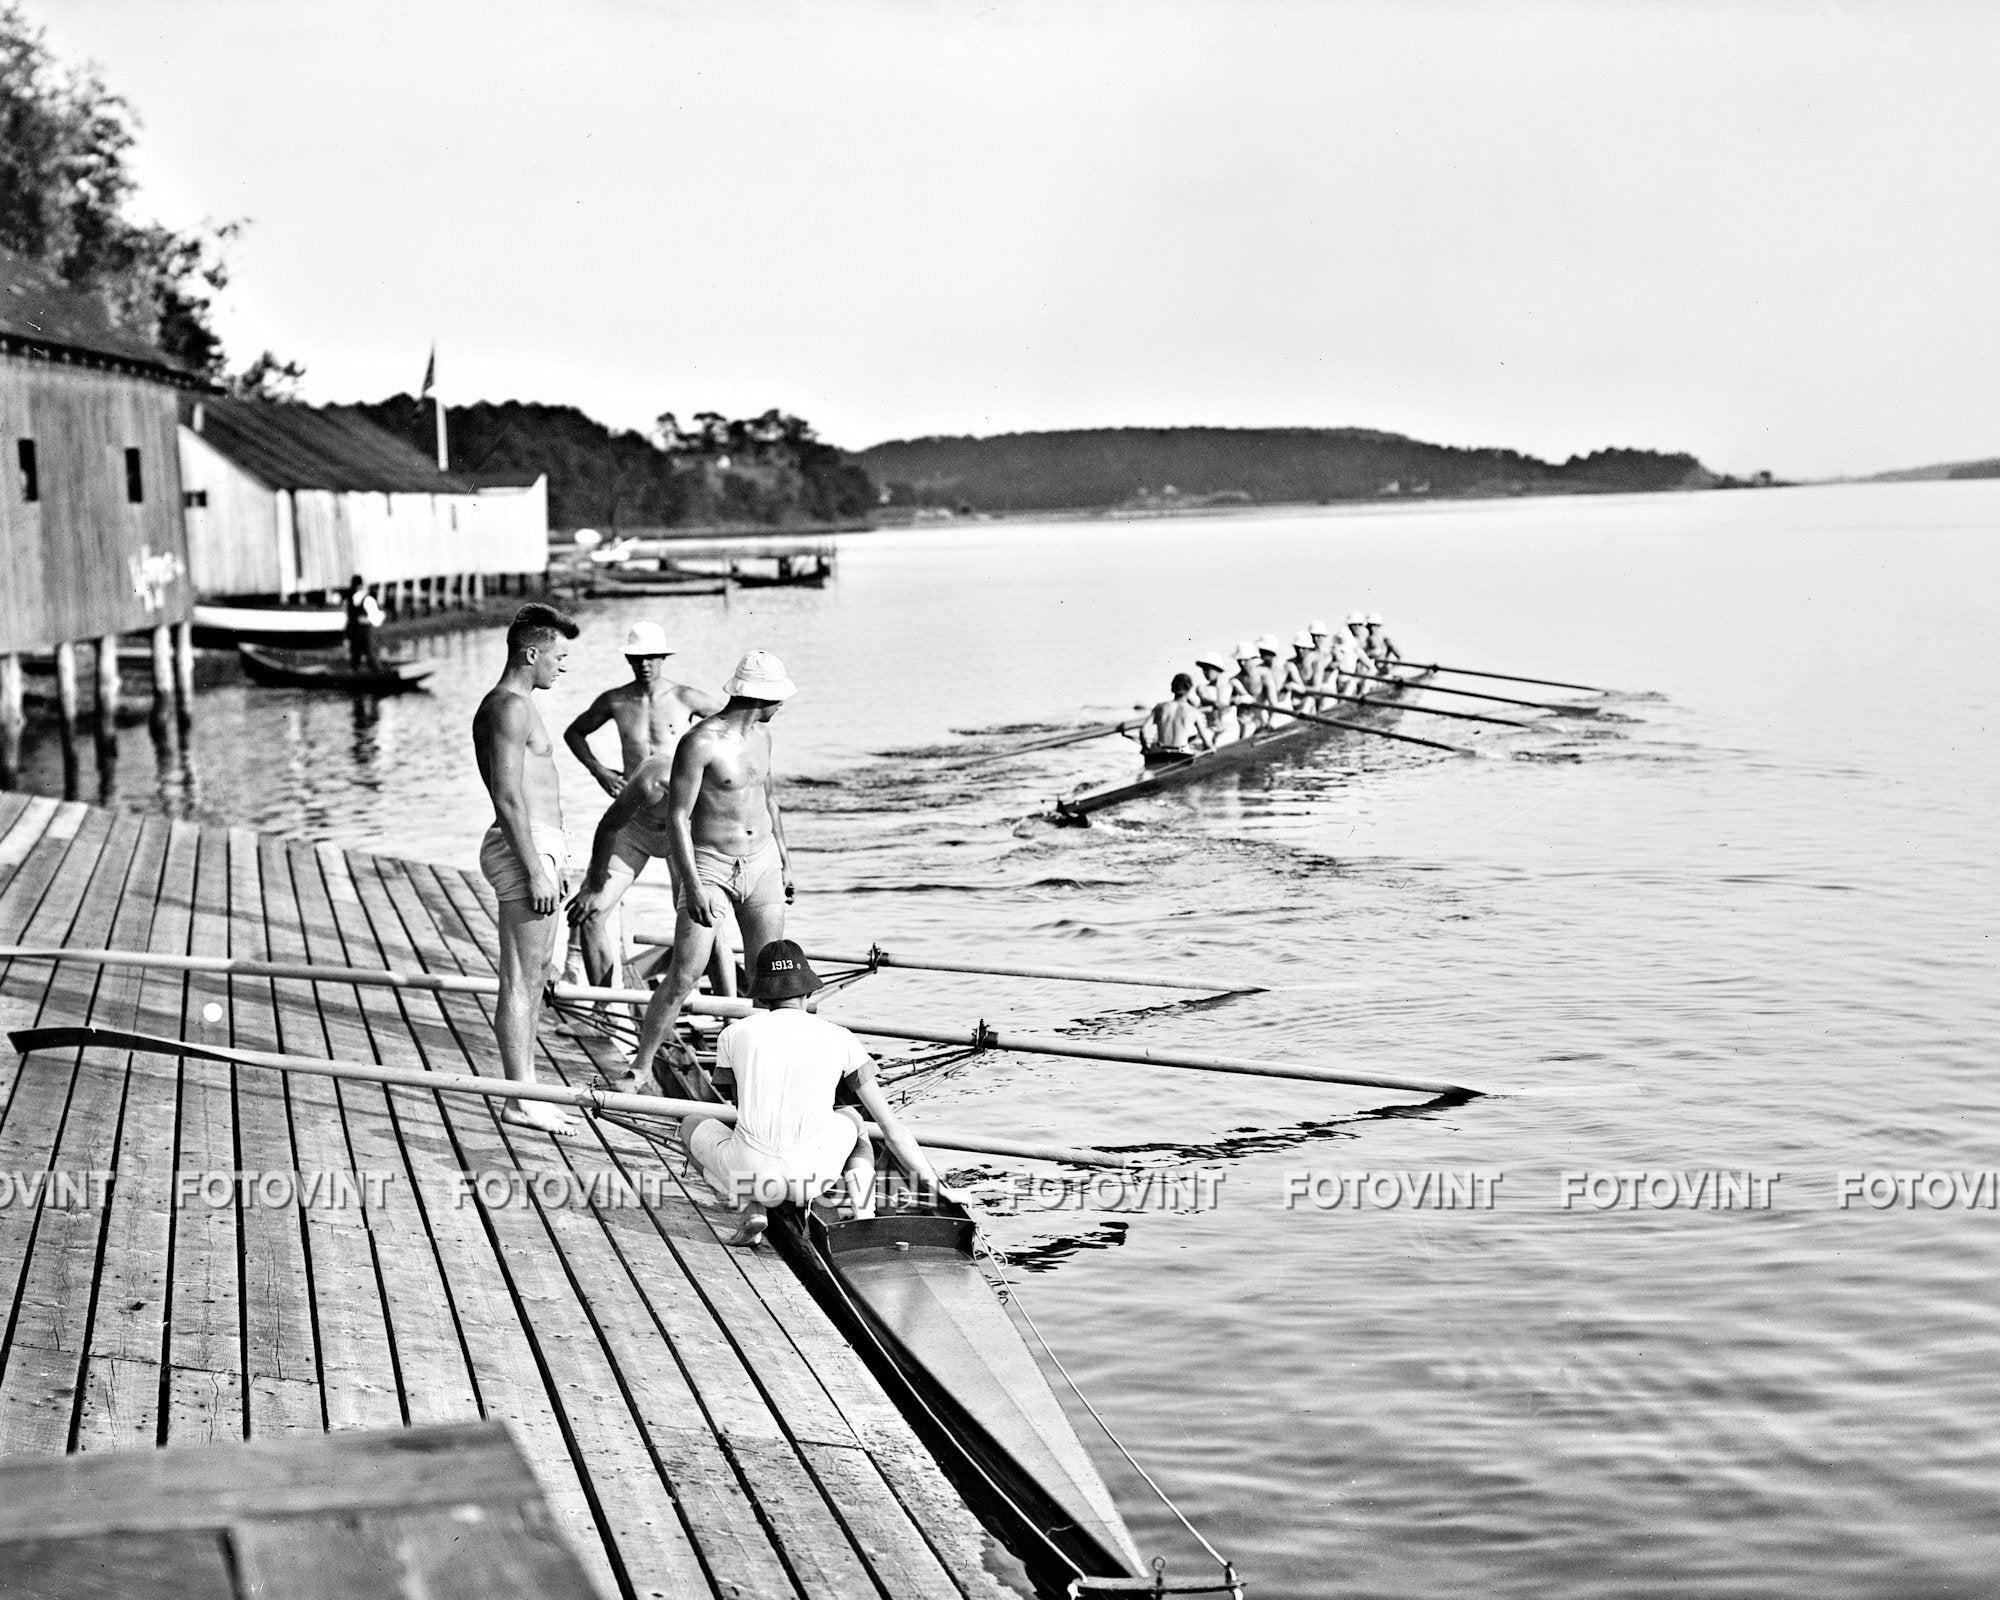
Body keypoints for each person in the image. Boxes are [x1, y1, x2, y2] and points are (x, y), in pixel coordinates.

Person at [680, 941, 949, 1247]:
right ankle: (864, 1218)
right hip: (812, 1178)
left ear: (762, 995)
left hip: (749, 1175)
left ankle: (750, 1207)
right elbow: (893, 1131)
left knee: (689, 1123)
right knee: (854, 1119)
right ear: (808, 991)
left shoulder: (732, 1034)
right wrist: (938, 1187)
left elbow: (742, 1108)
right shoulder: (841, 1037)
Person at [630, 650, 798, 1087]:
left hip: (762, 864)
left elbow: (769, 799)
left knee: (770, 979)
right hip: (710, 866)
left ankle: (757, 1074)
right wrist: (694, 885)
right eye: (779, 697)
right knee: (685, 972)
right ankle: (641, 1065)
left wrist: (785, 859)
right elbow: (677, 818)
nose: (783, 705)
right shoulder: (700, 742)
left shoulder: (763, 738)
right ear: (760, 697)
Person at [472, 603, 581, 1137]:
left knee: (536, 974)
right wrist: (535, 867)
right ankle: (519, 1097)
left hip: (540, 847)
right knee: (519, 975)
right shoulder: (509, 707)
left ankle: (529, 1090)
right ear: (531, 652)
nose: (564, 666)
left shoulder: (519, 706)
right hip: (525, 847)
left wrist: (553, 860)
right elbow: (509, 797)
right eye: (559, 656)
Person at [563, 621, 725, 798]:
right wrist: (600, 772)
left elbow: (735, 724)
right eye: (637, 657)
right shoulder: (615, 700)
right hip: (635, 797)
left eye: (651, 656)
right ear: (628, 659)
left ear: (663, 657)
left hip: (678, 796)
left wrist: (714, 776)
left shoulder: (685, 698)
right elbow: (574, 733)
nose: (644, 664)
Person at [1138, 673, 1214, 760]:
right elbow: (1208, 744)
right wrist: (1211, 748)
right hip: (1181, 755)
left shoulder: (1159, 707)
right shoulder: (1194, 712)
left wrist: (1146, 748)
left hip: (1160, 754)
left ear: (1172, 688)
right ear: (1189, 689)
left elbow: (1143, 730)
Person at [1194, 650, 1242, 745]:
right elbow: (1212, 702)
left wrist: (1238, 700)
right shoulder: (1202, 689)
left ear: (1217, 669)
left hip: (1229, 729)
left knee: (1218, 743)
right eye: (1203, 669)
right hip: (1211, 729)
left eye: (1208, 669)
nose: (1205, 672)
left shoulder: (1232, 684)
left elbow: (1249, 699)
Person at [343, 574, 384, 670]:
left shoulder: (348, 600)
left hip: (352, 630)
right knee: (370, 654)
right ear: (361, 585)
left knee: (355, 656)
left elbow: (347, 617)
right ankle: (377, 675)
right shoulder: (367, 599)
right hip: (364, 631)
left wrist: (346, 636)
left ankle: (355, 674)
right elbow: (376, 621)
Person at [1278, 631, 1317, 709]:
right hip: (1293, 700)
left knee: (1309, 700)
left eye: (1303, 648)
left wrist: (1295, 687)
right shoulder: (1289, 663)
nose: (1300, 651)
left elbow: (1316, 688)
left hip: (1309, 699)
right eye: (1297, 647)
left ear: (1309, 649)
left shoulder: (1316, 662)